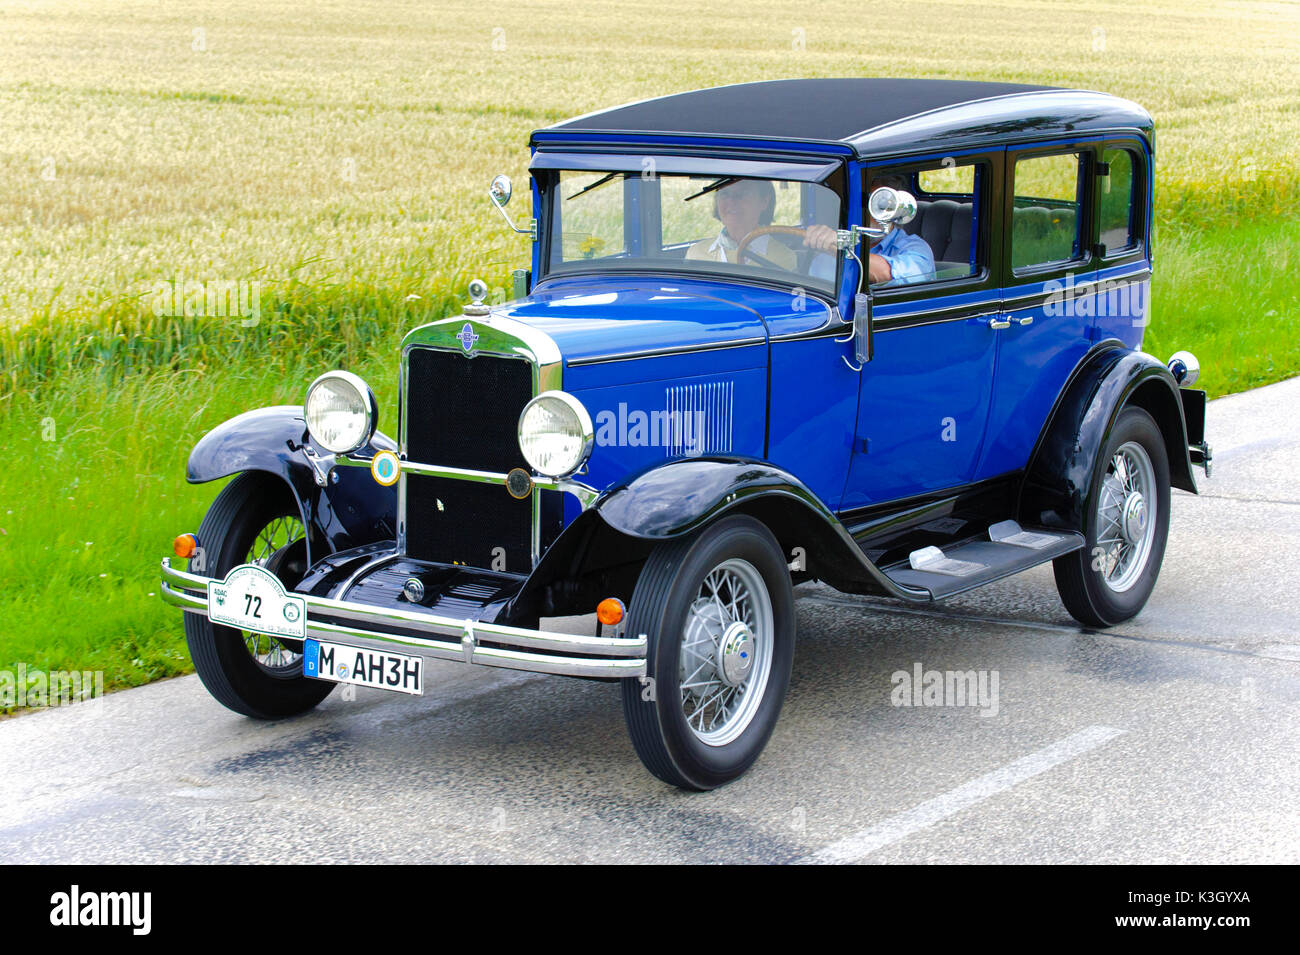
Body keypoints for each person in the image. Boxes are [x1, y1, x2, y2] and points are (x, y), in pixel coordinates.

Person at [686, 178, 837, 272]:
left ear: (764, 201)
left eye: (742, 194)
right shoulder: (696, 252)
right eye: (725, 194)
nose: (731, 201)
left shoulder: (783, 257)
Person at [861, 175, 936, 285]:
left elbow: (890, 274)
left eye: (879, 205)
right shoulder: (856, 239)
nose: (866, 213)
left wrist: (840, 248)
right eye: (863, 205)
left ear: (896, 212)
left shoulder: (917, 248)